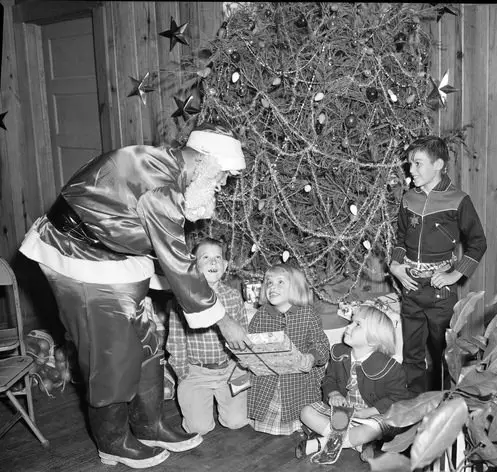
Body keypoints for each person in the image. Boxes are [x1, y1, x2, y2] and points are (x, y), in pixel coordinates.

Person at [18, 123, 251, 469]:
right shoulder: (162, 190)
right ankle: (112, 441)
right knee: (110, 351)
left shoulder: (172, 170)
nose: (221, 186)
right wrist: (224, 319)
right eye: (222, 177)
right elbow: (177, 260)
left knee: (146, 338)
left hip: (114, 254)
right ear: (206, 162)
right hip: (77, 256)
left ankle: (149, 425)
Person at [389, 136, 487, 394]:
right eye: (410, 164)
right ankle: (412, 406)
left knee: (444, 354)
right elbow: (401, 238)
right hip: (410, 289)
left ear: (439, 164)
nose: (411, 170)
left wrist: (456, 274)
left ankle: (444, 406)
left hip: (440, 293)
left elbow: (478, 242)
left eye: (418, 164)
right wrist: (395, 265)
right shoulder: (409, 198)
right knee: (411, 353)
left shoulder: (458, 200)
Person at [297, 305, 413, 462]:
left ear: (373, 339)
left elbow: (399, 399)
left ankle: (320, 443)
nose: (349, 327)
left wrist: (369, 412)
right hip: (342, 413)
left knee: (372, 429)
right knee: (306, 412)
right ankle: (358, 443)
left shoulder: (390, 368)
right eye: (351, 322)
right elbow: (329, 379)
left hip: (371, 415)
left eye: (357, 324)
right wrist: (334, 394)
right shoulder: (339, 353)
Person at [167, 237, 249, 436]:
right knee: (198, 428)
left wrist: (243, 364)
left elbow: (243, 332)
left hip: (230, 369)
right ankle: (187, 391)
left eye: (218, 258)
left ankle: (228, 402)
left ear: (225, 265)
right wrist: (182, 371)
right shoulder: (182, 299)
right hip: (197, 372)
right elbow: (176, 340)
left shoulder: (233, 296)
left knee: (237, 422)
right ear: (193, 265)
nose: (213, 262)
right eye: (206, 257)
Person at [247, 264, 330, 436]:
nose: (272, 287)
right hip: (269, 380)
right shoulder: (262, 314)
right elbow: (252, 344)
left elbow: (321, 344)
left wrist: (312, 357)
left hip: (298, 381)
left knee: (303, 413)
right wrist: (248, 356)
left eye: (280, 282)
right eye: (269, 283)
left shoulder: (308, 314)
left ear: (296, 287)